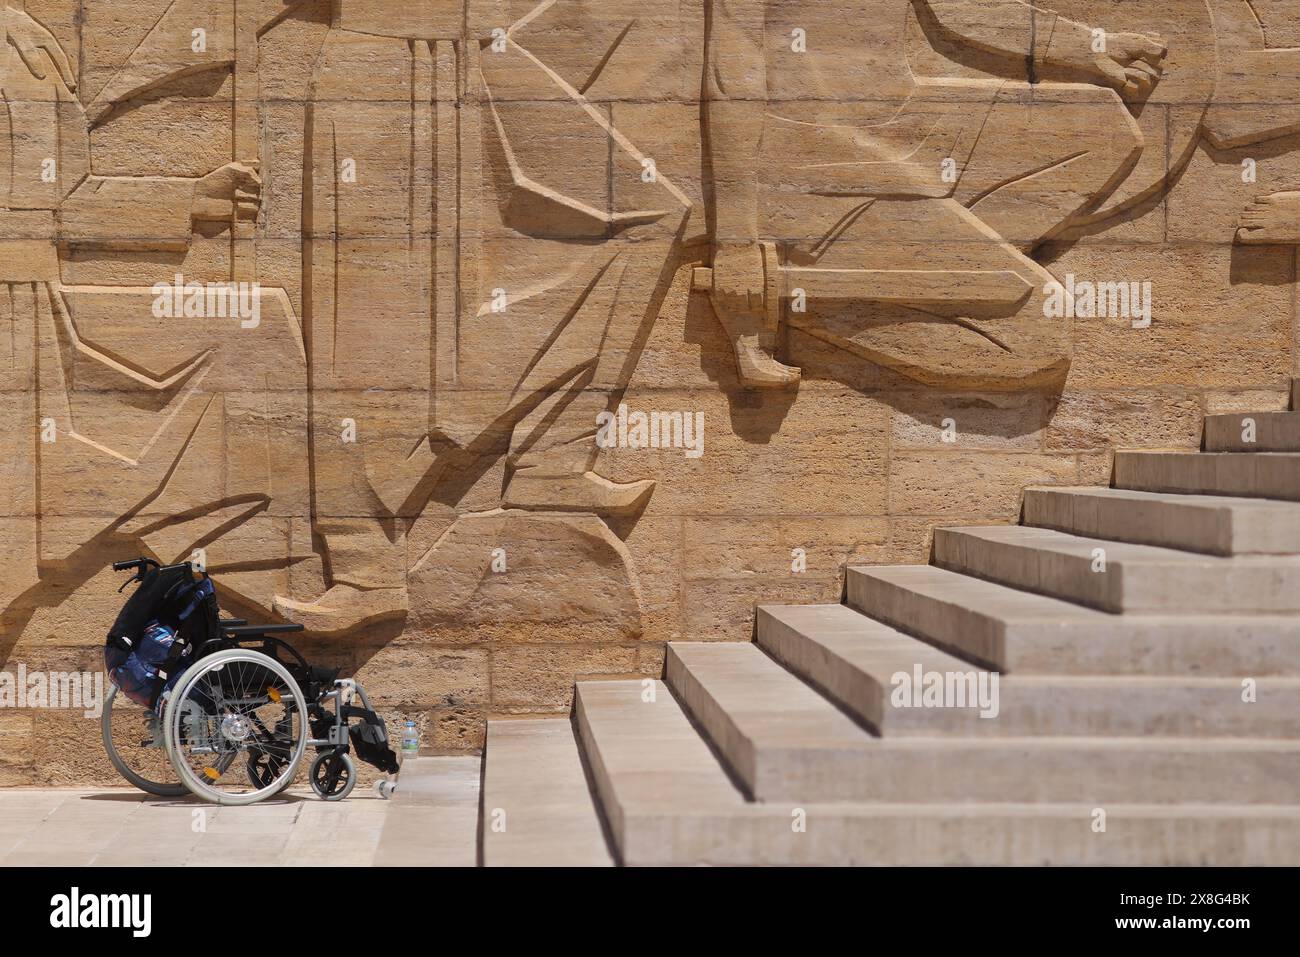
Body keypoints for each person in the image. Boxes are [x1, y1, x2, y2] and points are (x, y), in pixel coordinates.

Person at [703, 0, 1166, 390]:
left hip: (909, 125)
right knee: (1037, 340)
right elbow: (732, 74)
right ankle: (794, 291)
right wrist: (736, 240)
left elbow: (958, 8)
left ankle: (926, 256)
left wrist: (1090, 47)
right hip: (812, 164)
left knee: (1104, 129)